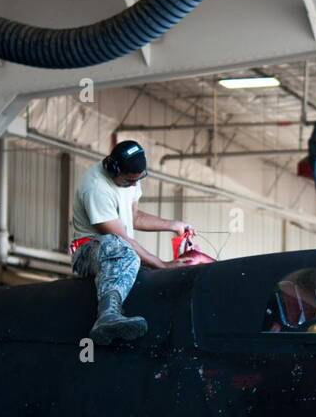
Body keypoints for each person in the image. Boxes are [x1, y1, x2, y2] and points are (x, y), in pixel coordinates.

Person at [70, 139, 211, 344]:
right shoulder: (96, 188)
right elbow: (121, 238)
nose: (134, 185)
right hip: (87, 251)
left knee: (134, 261)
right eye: (129, 181)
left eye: (138, 180)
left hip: (116, 248)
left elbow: (134, 217)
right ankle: (107, 316)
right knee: (127, 252)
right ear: (113, 169)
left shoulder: (131, 178)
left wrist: (173, 225)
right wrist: (162, 265)